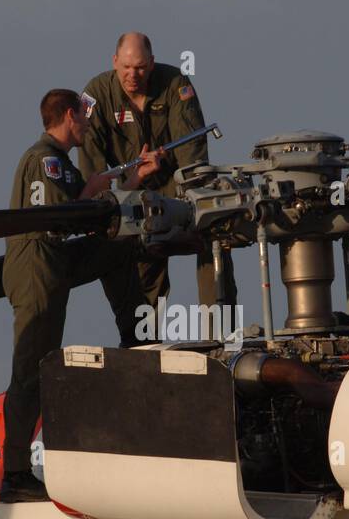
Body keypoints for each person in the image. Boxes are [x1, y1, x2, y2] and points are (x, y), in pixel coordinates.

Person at [0, 89, 159, 503]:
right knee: (30, 369)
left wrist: (130, 180)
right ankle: (15, 473)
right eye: (84, 118)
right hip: (38, 265)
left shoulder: (58, 163)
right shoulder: (45, 160)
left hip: (50, 263)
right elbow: (59, 219)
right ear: (68, 115)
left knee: (120, 248)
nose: (88, 125)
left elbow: (84, 211)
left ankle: (137, 336)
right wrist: (93, 191)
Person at [78, 32, 237, 330]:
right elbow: (93, 175)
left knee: (214, 235)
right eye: (125, 67)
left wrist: (188, 196)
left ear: (151, 64)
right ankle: (141, 341)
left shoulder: (176, 83)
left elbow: (194, 160)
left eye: (139, 67)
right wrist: (127, 184)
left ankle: (222, 334)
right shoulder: (96, 94)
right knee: (137, 264)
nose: (132, 75)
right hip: (131, 193)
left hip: (178, 188)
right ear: (114, 62)